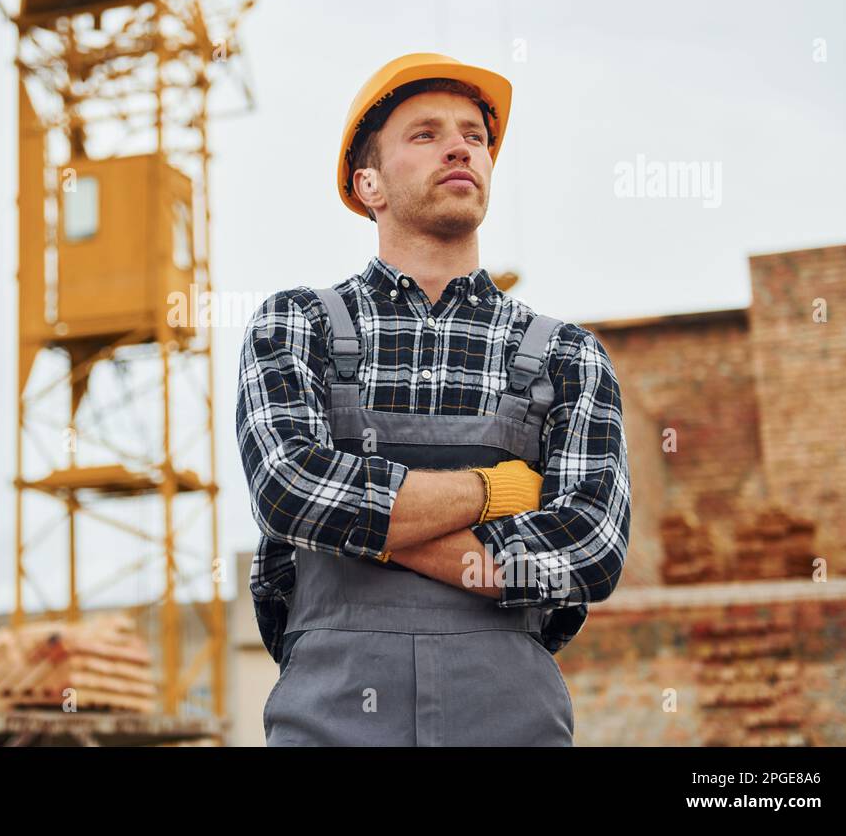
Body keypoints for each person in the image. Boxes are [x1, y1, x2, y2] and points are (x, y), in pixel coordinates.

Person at [236, 52, 631, 746]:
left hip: (510, 720)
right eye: (425, 134)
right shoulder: (297, 324)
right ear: (368, 183)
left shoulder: (568, 354)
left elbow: (589, 548)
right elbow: (290, 490)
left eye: (474, 136)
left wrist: (359, 533)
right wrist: (495, 491)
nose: (460, 148)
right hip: (330, 717)